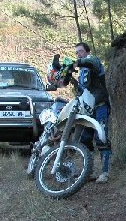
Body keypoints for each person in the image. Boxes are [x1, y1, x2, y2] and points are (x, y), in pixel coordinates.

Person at [48, 44, 112, 184]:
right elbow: (83, 90)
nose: (78, 54)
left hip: (100, 106)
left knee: (101, 138)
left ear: (87, 51)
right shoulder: (82, 71)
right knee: (85, 139)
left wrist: (77, 62)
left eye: (81, 51)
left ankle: (105, 172)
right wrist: (70, 79)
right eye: (76, 52)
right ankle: (88, 170)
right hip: (87, 108)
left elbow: (91, 63)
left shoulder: (93, 62)